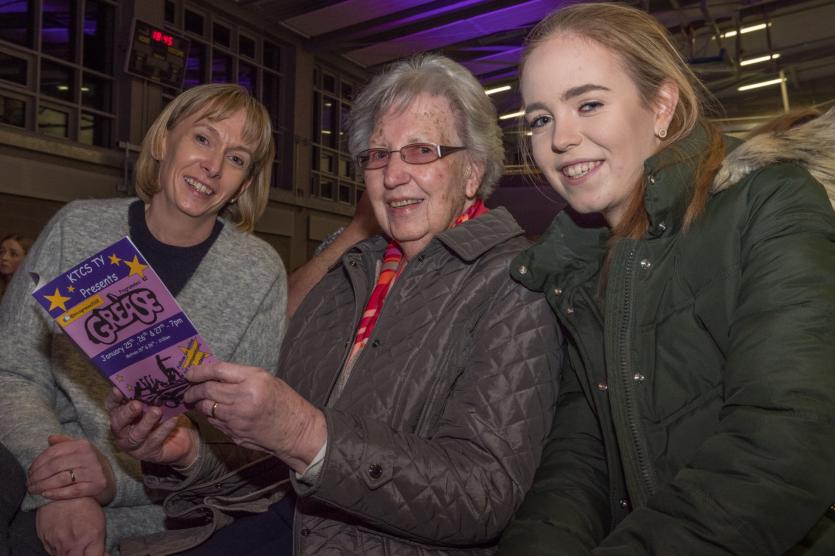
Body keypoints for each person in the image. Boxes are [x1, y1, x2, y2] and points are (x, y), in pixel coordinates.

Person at [107, 53, 560, 555]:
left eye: (420, 151)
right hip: (289, 526)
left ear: (472, 173)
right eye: (378, 154)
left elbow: (483, 496)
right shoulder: (348, 276)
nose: (392, 175)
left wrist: (306, 433)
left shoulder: (516, 283)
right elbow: (277, 470)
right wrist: (188, 453)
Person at [499, 3, 835, 554]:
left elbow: (787, 442)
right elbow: (578, 460)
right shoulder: (577, 273)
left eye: (588, 104)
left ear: (661, 106)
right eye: (540, 118)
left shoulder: (770, 207)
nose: (560, 139)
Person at [0, 83, 287, 555]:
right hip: (39, 473)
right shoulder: (77, 228)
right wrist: (59, 482)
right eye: (203, 138)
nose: (213, 167)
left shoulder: (258, 273)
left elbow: (243, 450)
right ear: (162, 140)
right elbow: (13, 371)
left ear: (247, 182)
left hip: (166, 516)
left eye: (237, 159)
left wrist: (112, 480)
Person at [0, 233, 33, 300]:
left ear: (27, 258)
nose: (4, 257)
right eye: (1, 252)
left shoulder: (33, 287)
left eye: (13, 254)